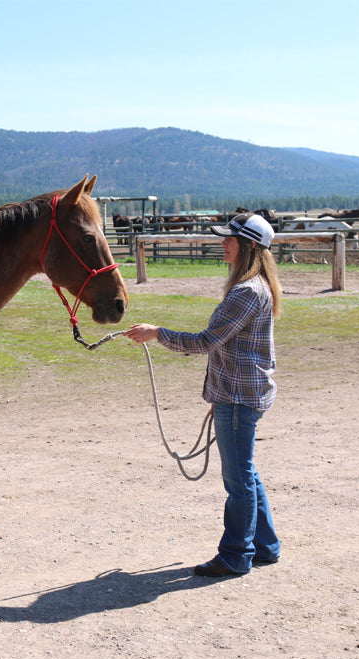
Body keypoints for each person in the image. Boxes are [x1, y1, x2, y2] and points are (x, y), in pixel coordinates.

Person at [124, 213, 282, 577]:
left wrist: (157, 332)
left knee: (238, 479)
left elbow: (206, 342)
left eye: (230, 239)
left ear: (249, 246)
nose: (223, 243)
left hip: (238, 396)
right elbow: (229, 347)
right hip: (239, 392)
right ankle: (265, 546)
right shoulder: (256, 287)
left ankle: (236, 555)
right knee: (247, 473)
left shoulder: (245, 291)